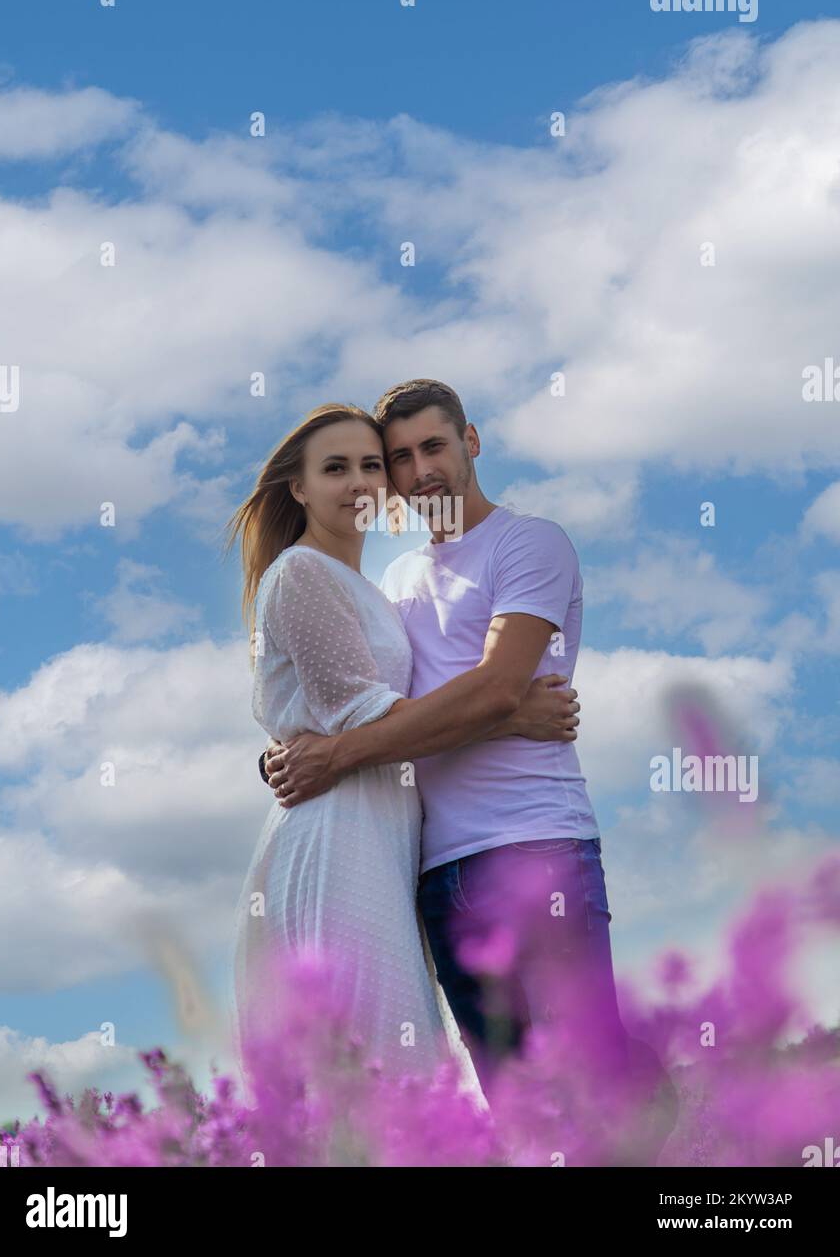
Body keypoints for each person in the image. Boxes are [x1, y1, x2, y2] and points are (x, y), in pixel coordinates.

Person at [262, 379, 678, 1163]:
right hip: (430, 871)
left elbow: (491, 685)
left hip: (535, 846)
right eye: (401, 458)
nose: (422, 471)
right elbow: (365, 710)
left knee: (592, 1093)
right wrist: (286, 754)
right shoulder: (390, 585)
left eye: (435, 447)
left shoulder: (529, 542)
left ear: (471, 442)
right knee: (522, 1118)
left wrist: (494, 709)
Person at [224, 402, 578, 1089]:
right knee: (381, 1064)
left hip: (390, 840)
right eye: (335, 468)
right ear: (297, 487)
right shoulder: (301, 573)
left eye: (369, 466)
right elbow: (356, 711)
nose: (359, 482)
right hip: (341, 837)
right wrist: (508, 713)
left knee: (397, 1058)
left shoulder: (375, 588)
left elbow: (336, 723)